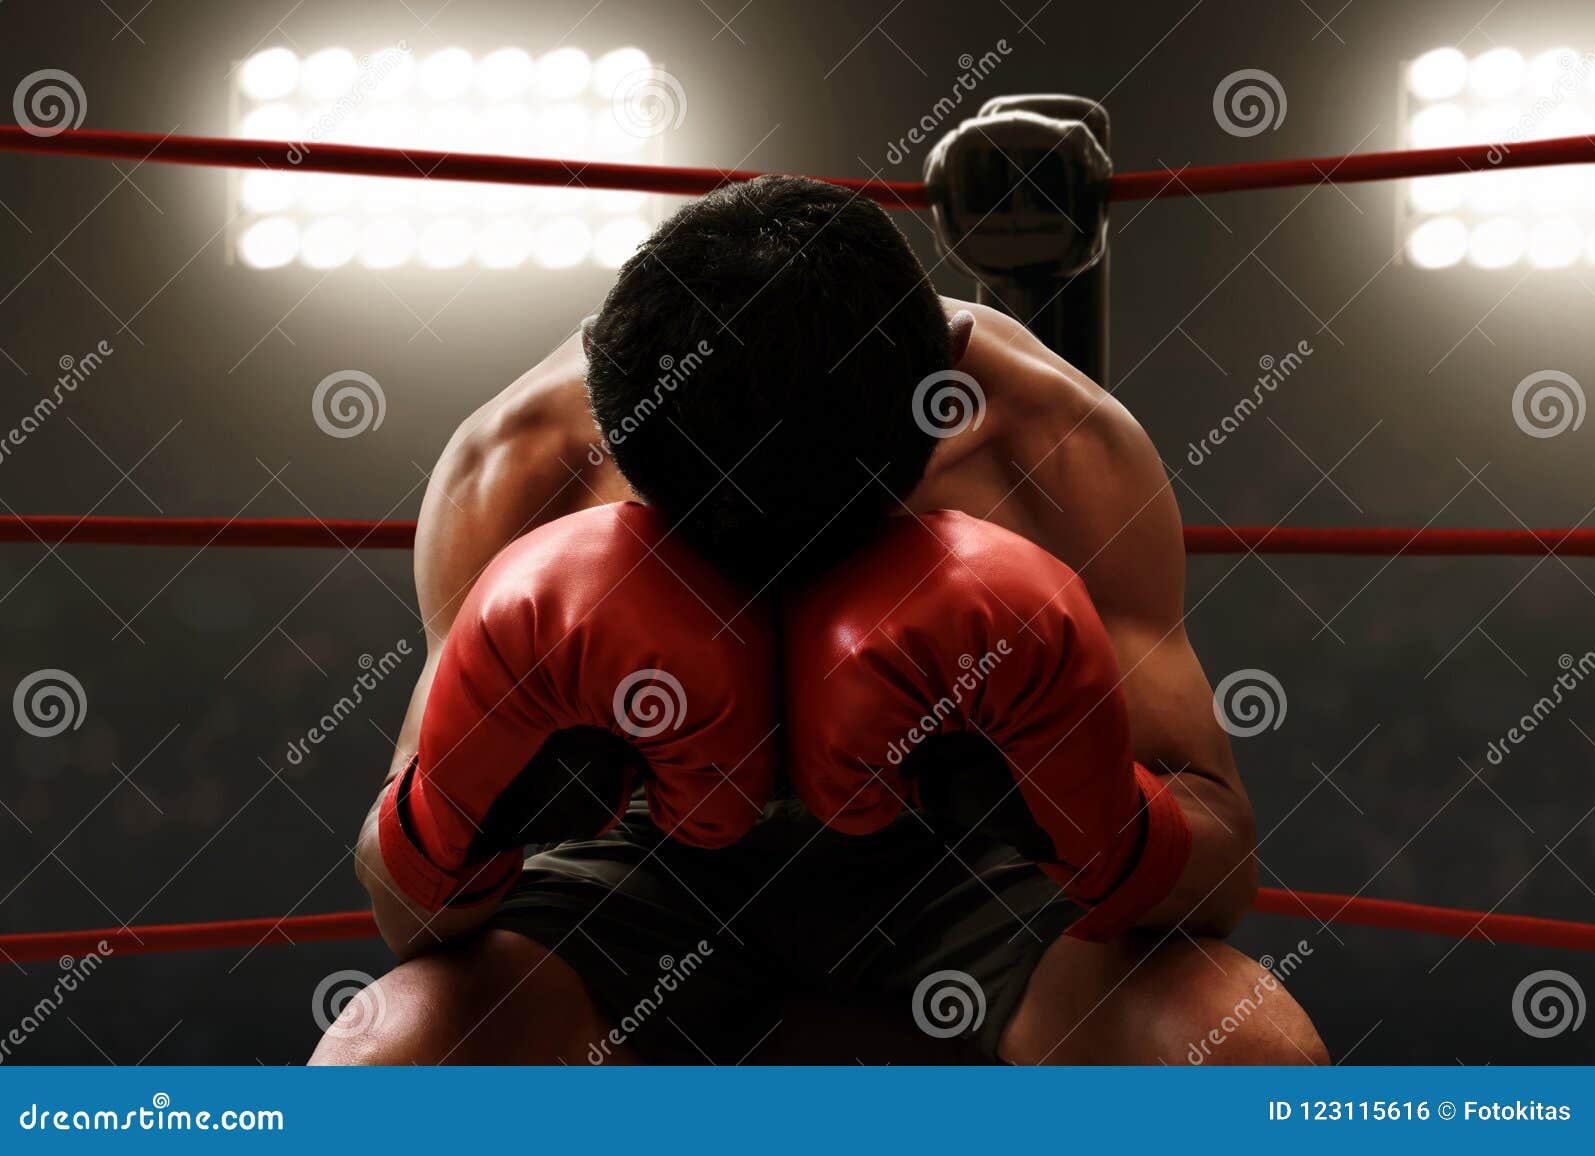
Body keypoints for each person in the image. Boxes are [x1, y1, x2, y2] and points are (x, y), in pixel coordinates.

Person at [311, 176, 1328, 1066]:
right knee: (376, 1067)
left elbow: (1220, 870)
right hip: (641, 869)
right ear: (618, 424)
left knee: (1251, 1058)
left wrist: (1090, 813)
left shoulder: (1048, 444)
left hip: (965, 876)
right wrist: (455, 822)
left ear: (939, 402)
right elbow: (408, 912)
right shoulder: (523, 458)